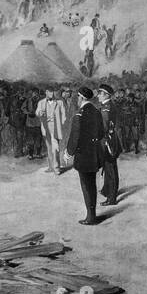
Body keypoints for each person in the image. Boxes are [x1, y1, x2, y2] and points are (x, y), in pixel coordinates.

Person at [67, 86, 104, 225]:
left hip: (83, 155)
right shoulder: (96, 112)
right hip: (94, 153)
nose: (77, 99)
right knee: (92, 184)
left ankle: (90, 217)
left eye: (77, 97)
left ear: (81, 97)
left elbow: (75, 137)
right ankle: (92, 214)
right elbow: (101, 134)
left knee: (86, 185)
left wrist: (69, 152)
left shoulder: (79, 114)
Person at [97, 83, 121, 206]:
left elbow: (105, 126)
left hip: (107, 140)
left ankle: (111, 198)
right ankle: (108, 190)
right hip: (110, 139)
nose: (98, 95)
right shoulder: (108, 105)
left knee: (110, 168)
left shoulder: (106, 108)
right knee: (108, 167)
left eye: (100, 93)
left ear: (106, 95)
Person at [37, 88, 66, 174]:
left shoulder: (59, 102)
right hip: (46, 127)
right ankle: (50, 167)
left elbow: (64, 114)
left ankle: (56, 168)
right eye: (49, 92)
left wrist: (61, 124)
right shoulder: (41, 102)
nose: (51, 94)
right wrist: (39, 113)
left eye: (53, 92)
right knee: (49, 147)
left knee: (55, 147)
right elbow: (37, 112)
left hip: (55, 127)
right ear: (46, 92)